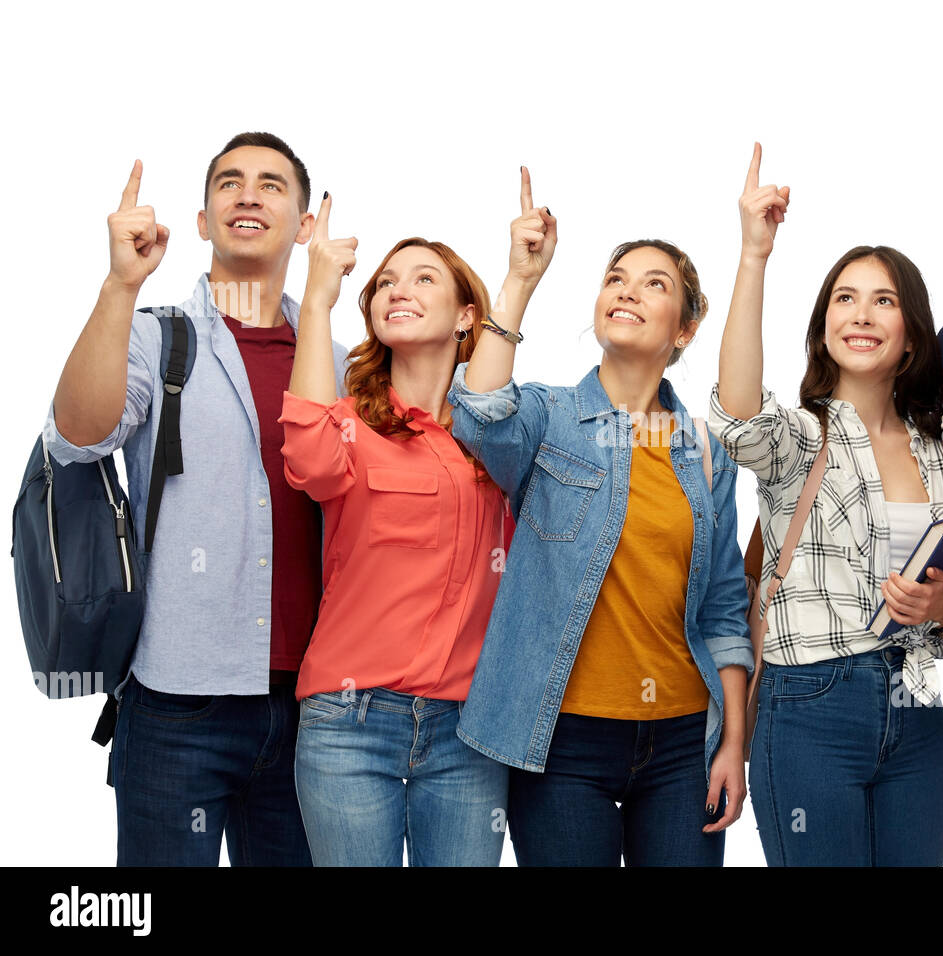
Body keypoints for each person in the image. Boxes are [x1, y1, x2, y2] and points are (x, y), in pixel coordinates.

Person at [44, 132, 350, 866]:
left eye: (272, 184)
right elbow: (76, 438)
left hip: (318, 708)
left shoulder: (342, 365)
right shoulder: (156, 337)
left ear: (305, 225)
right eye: (230, 182)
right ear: (205, 221)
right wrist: (119, 286)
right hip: (176, 703)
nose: (249, 194)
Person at [447, 168, 753, 867]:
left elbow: (724, 608)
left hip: (681, 742)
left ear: (686, 328)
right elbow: (478, 412)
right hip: (561, 740)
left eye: (654, 284)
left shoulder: (704, 450)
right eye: (616, 278)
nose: (627, 291)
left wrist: (732, 743)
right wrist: (520, 279)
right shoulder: (548, 415)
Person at [709, 144, 943, 866]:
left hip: (919, 712)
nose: (862, 314)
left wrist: (942, 608)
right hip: (811, 708)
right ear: (824, 326)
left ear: (910, 334)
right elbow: (737, 416)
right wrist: (754, 256)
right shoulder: (799, 436)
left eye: (884, 300)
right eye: (844, 299)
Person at [278, 196, 511, 866]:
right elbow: (307, 459)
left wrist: (520, 278)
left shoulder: (500, 437)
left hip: (468, 731)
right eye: (385, 282)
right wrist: (318, 299)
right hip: (348, 724)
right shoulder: (351, 425)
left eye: (423, 278)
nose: (398, 290)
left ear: (467, 316)